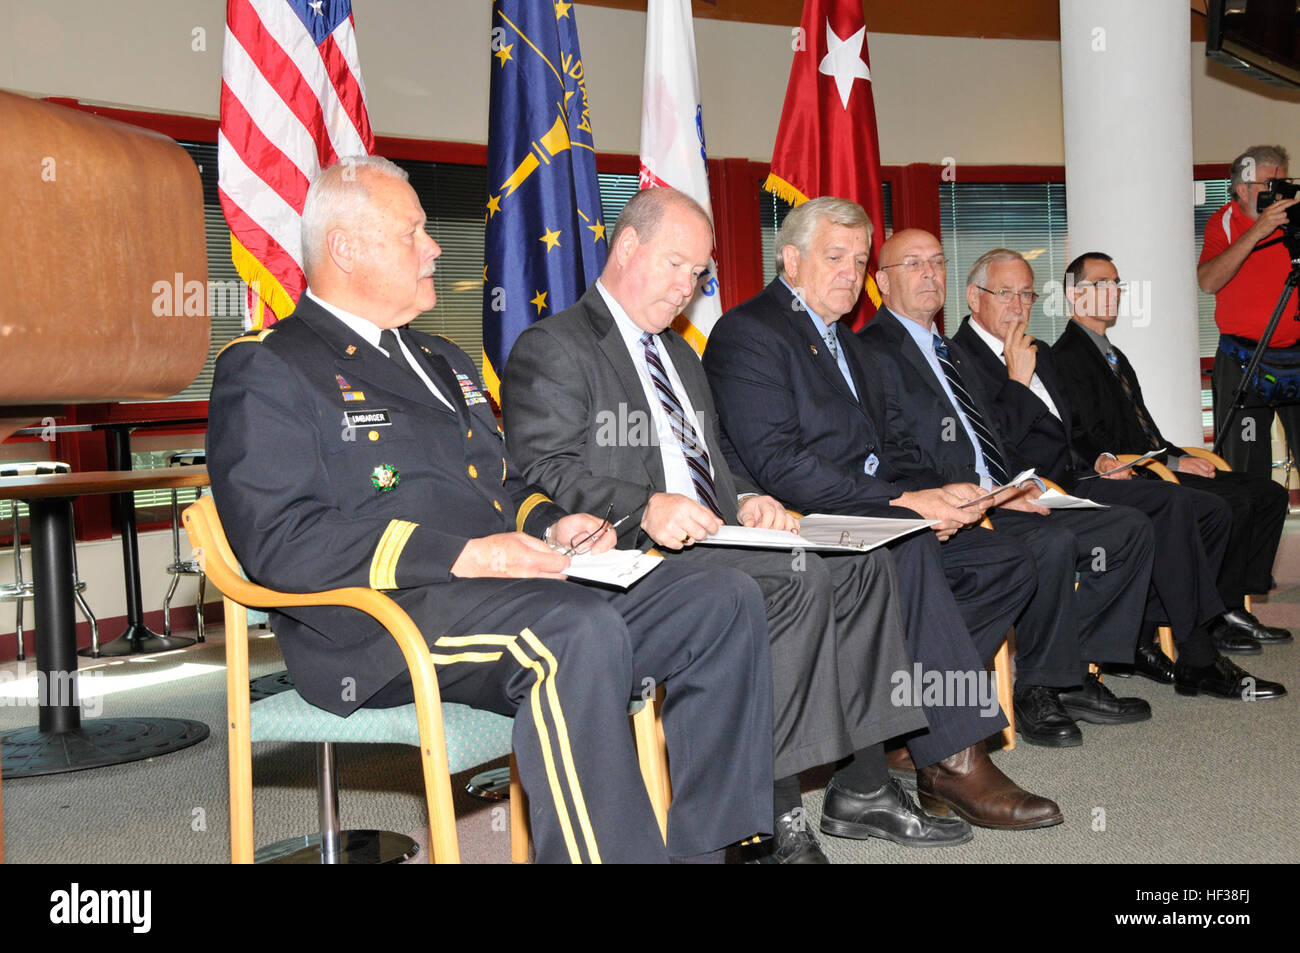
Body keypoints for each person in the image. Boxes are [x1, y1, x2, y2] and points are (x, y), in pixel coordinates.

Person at [205, 156, 779, 864]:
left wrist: (548, 524)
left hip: (506, 591)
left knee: (719, 598)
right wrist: (467, 554)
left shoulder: (442, 358)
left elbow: (503, 487)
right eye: (413, 231)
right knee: (576, 633)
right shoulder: (269, 365)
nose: (435, 247)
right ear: (345, 249)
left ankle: (712, 848)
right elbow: (280, 539)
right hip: (382, 619)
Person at [503, 187, 1021, 861]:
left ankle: (861, 786)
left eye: (698, 273)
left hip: (715, 537)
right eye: (675, 266)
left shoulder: (680, 355)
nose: (687, 286)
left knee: (865, 565)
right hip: (633, 551)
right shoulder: (557, 345)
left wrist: (746, 499)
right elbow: (545, 470)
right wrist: (645, 503)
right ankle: (772, 816)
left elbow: (718, 462)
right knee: (794, 581)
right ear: (627, 247)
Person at [705, 197, 1068, 833]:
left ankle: (909, 716)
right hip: (797, 522)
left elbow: (887, 454)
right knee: (913, 550)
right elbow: (781, 465)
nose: (850, 272)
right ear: (791, 260)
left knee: (1006, 559)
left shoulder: (849, 345)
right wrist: (905, 506)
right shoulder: (750, 333)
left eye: (859, 259)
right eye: (834, 257)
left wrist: (946, 494)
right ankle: (952, 757)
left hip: (868, 514)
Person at [951, 248, 1229, 684]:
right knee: (1148, 517)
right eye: (1005, 293)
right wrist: (1017, 384)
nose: (1018, 305)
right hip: (1023, 492)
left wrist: (1097, 457)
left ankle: (1142, 636)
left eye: (1026, 294)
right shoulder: (957, 358)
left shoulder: (1037, 349)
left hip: (1075, 477)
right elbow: (991, 445)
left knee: (1188, 506)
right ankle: (1177, 652)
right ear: (974, 296)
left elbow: (1071, 429)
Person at [1050, 251, 1289, 700]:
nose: (1113, 292)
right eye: (1101, 282)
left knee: (1267, 493)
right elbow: (1090, 437)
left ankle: (1225, 605)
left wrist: (1179, 456)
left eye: (1117, 282)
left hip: (1155, 463)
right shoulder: (1066, 357)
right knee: (1222, 506)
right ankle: (1202, 623)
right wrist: (1164, 465)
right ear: (1074, 295)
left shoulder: (1114, 354)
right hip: (1131, 473)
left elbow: (1146, 428)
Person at [1199, 146, 1300, 479]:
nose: (1280, 194)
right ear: (1243, 190)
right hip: (1243, 362)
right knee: (1246, 468)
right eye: (1270, 186)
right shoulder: (1223, 223)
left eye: (1283, 184)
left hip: (1295, 358)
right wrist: (1260, 229)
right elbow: (1209, 281)